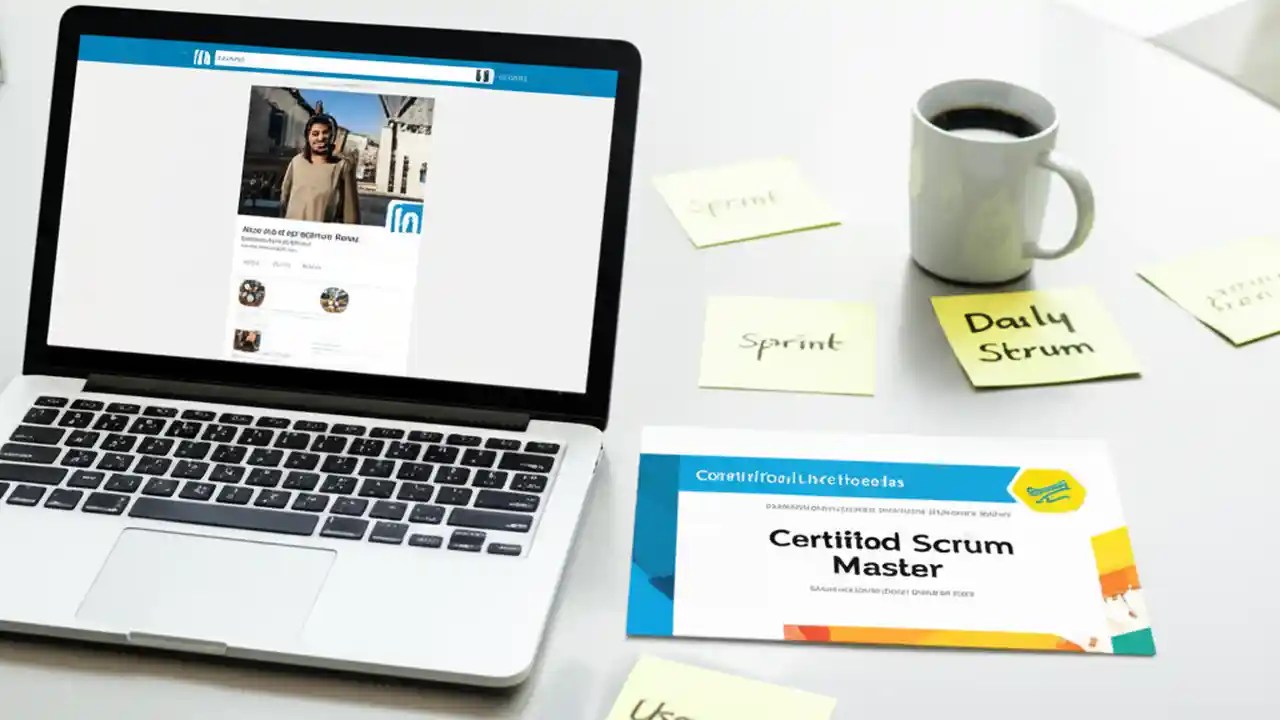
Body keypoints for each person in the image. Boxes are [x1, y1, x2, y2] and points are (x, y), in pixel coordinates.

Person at [278, 111, 361, 224]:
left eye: (325, 133)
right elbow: (284, 198)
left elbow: (350, 214)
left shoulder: (342, 167)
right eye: (315, 134)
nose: (321, 138)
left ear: (332, 136)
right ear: (308, 137)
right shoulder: (297, 162)